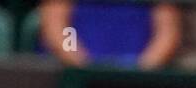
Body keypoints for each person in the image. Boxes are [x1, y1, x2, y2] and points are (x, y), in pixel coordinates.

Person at [39, 0, 181, 69]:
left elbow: (167, 32)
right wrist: (82, 66)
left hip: (137, 75)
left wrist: (141, 69)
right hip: (74, 73)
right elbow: (57, 28)